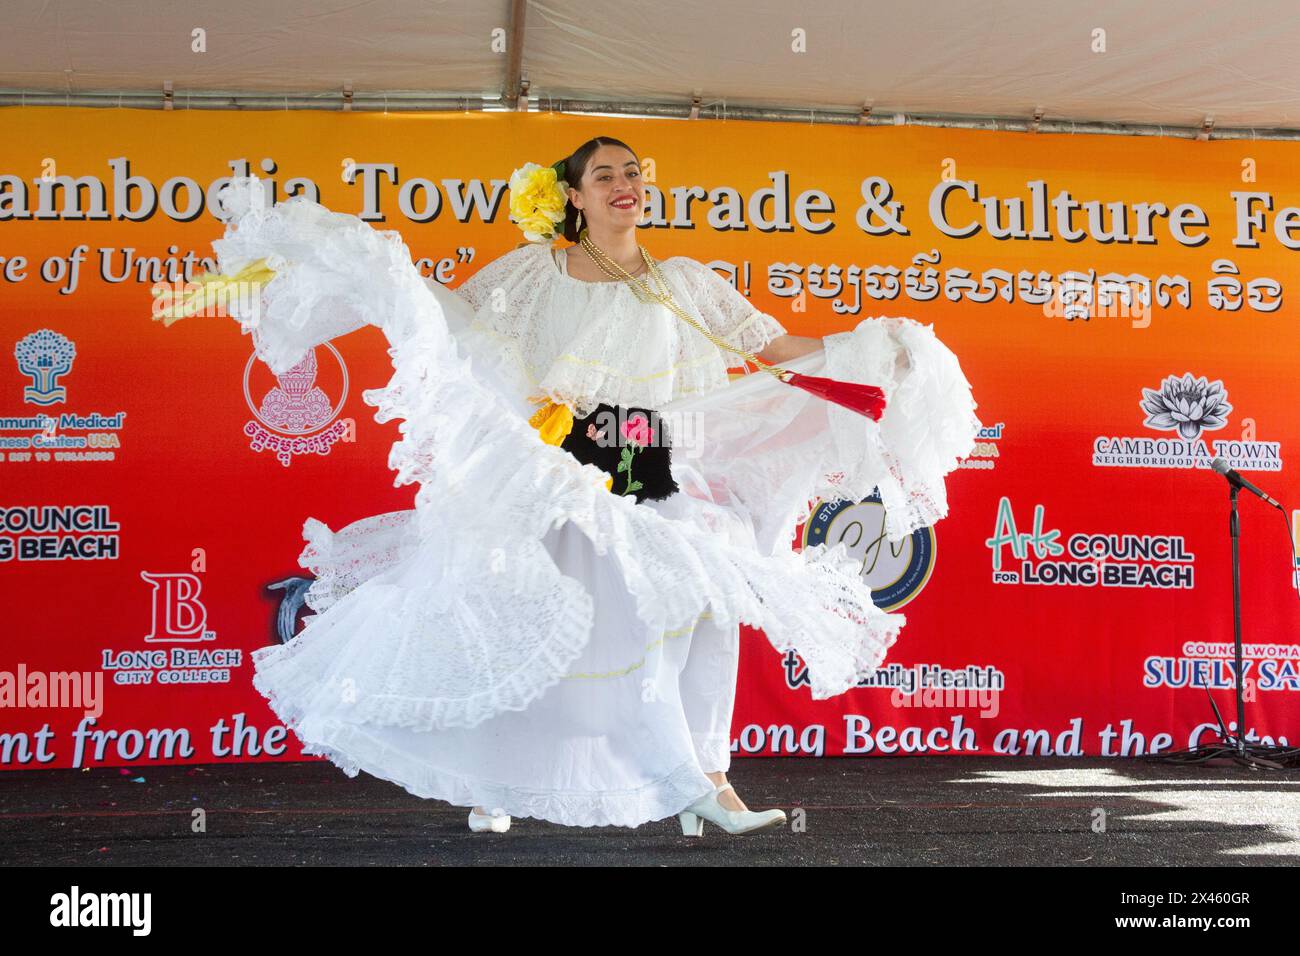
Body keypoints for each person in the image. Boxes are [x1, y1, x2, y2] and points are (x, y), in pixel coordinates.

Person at [173, 136, 981, 836]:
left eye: (633, 171)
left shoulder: (686, 282)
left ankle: (707, 781)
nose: (625, 184)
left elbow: (771, 346)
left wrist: (873, 353)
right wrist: (387, 281)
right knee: (520, 625)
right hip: (560, 471)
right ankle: (494, 780)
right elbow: (465, 328)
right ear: (572, 196)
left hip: (654, 468)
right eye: (605, 176)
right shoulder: (532, 274)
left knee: (700, 610)